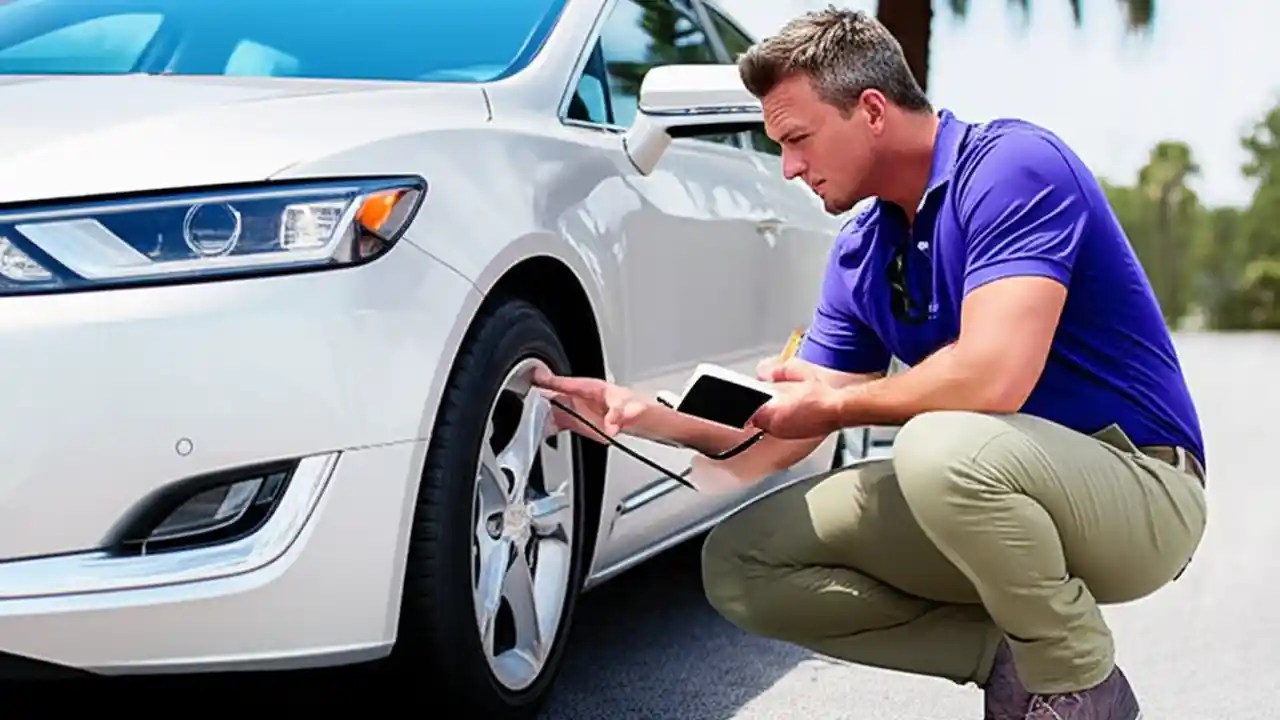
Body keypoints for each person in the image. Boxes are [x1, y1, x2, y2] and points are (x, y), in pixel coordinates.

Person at [532, 6, 1207, 720]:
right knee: (742, 564)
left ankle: (1079, 684)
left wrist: (839, 405)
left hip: (1140, 488)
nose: (788, 167)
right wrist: (647, 418)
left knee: (937, 446)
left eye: (797, 139)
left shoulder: (1013, 168)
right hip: (991, 491)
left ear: (873, 111)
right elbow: (784, 433)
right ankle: (1013, 660)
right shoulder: (861, 251)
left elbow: (993, 378)